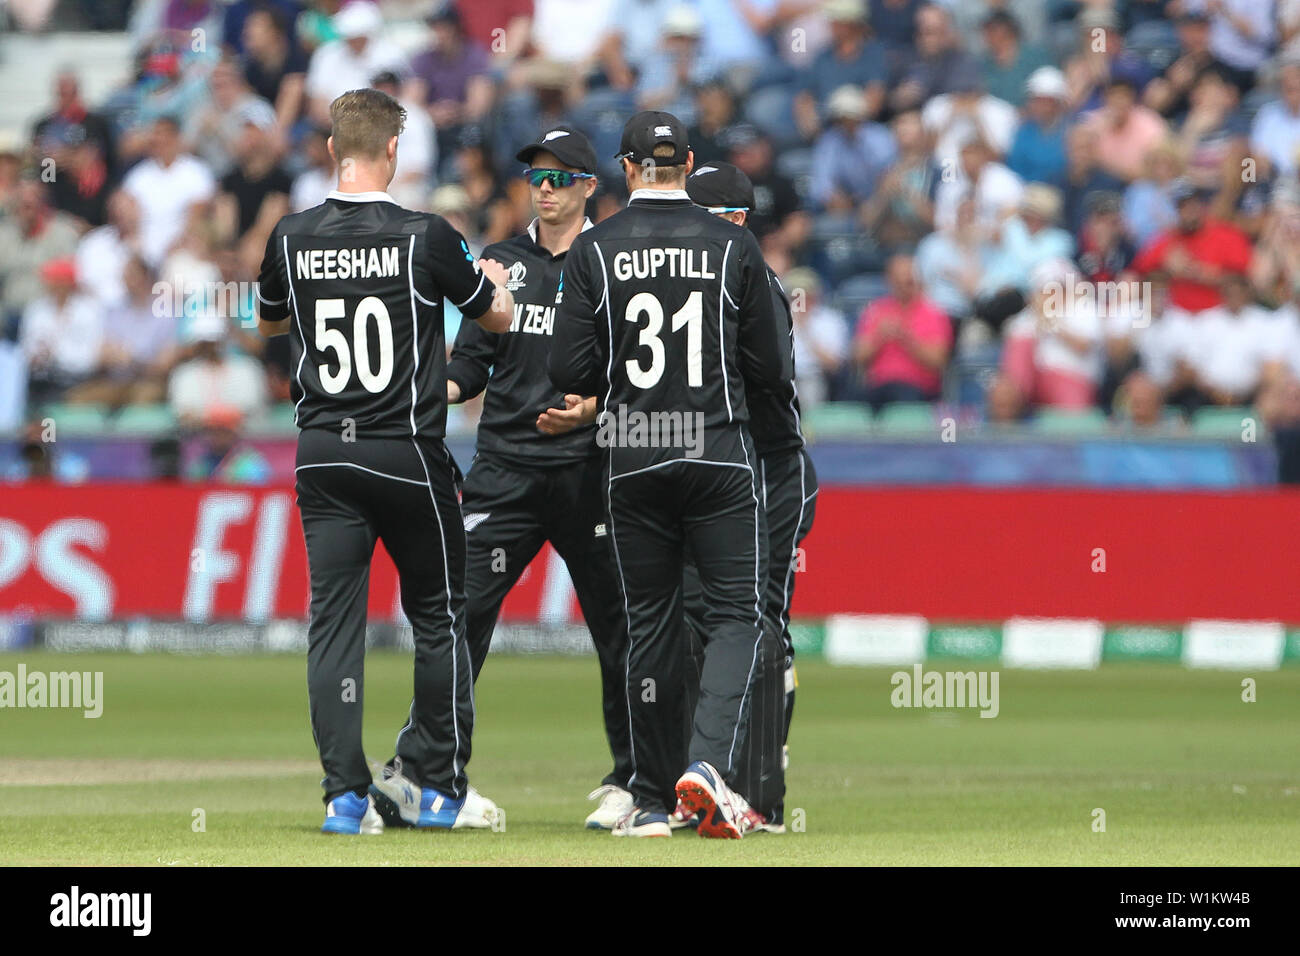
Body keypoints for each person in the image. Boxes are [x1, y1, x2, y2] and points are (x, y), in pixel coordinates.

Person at [255, 87, 515, 835]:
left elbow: (268, 321)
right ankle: (435, 789)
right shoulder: (425, 234)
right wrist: (493, 282)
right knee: (438, 618)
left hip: (322, 454)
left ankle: (344, 797)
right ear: (394, 151)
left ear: (333, 150)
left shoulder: (290, 233)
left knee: (333, 625)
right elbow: (491, 315)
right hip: (403, 451)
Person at [549, 110, 789, 838]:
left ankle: (651, 800)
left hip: (633, 455)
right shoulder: (732, 243)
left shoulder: (596, 247)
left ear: (626, 170)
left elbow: (567, 370)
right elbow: (770, 368)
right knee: (736, 616)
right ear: (688, 164)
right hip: (717, 452)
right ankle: (707, 766)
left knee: (648, 626)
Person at [444, 126, 634, 831]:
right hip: (506, 473)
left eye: (560, 178)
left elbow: (641, 374)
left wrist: (592, 409)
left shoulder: (614, 262)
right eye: (536, 177)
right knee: (458, 616)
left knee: (622, 631)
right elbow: (471, 364)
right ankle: (438, 776)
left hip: (593, 473)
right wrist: (436, 388)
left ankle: (634, 781)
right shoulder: (498, 263)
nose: (545, 189)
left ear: (589, 185)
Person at [681, 160, 819, 833]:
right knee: (707, 621)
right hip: (724, 469)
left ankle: (759, 796)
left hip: (768, 472)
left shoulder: (753, 286)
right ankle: (703, 779)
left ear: (729, 222)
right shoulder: (718, 281)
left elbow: (764, 392)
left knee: (759, 624)